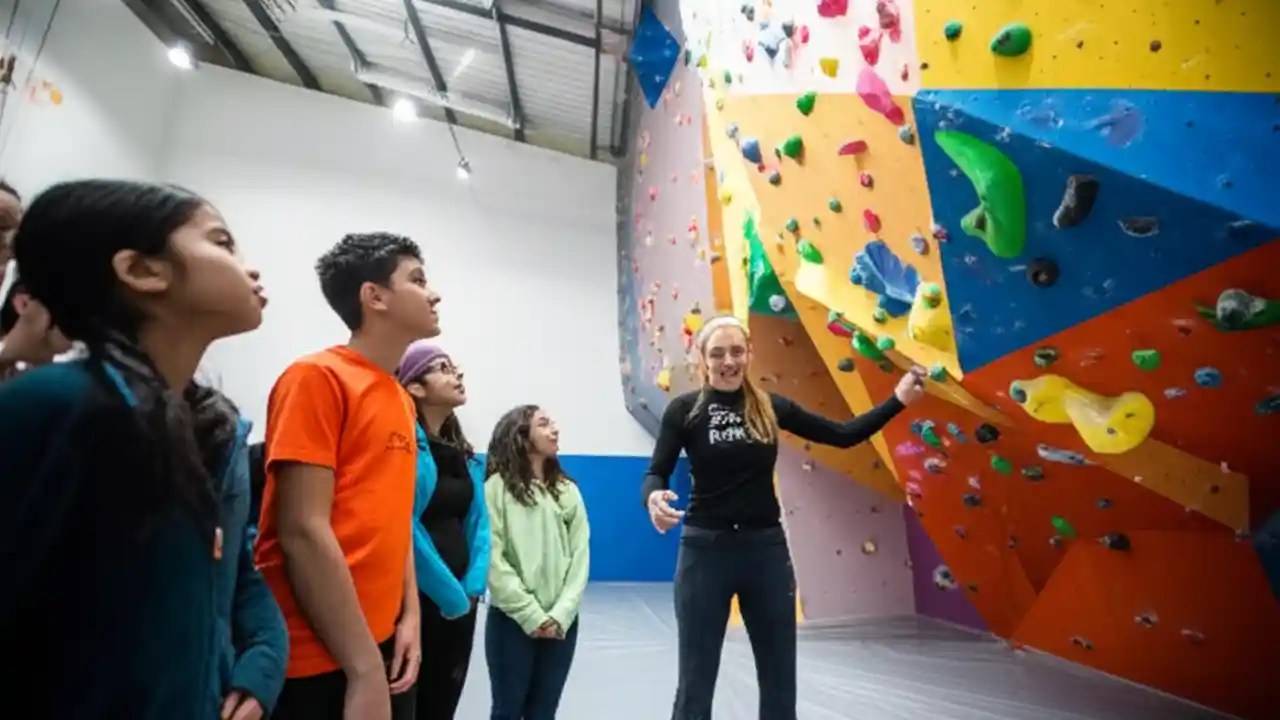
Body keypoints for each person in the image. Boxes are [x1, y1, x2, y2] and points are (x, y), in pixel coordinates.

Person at [0, 179, 287, 718]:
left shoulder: (181, 425)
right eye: (222, 242)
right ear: (142, 271)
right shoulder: (57, 408)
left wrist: (258, 664)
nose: (249, 268)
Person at [641, 314, 926, 720]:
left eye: (736, 351)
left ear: (749, 354)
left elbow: (844, 435)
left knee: (779, 679)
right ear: (702, 359)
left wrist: (898, 400)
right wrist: (653, 498)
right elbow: (656, 471)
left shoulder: (773, 407)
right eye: (717, 353)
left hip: (765, 555)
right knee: (695, 679)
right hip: (705, 554)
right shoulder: (684, 411)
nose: (728, 361)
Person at [254, 232, 441, 720]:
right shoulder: (317, 378)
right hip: (317, 654)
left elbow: (395, 519)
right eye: (418, 279)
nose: (434, 293)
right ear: (373, 295)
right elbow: (302, 530)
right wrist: (362, 669)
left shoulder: (399, 397)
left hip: (382, 641)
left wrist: (410, 615)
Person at [395, 341, 490, 720]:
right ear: (415, 387)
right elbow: (406, 522)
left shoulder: (462, 454)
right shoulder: (405, 448)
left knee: (443, 703)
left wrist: (473, 585)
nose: (458, 374)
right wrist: (449, 593)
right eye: (444, 368)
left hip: (463, 604)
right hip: (418, 600)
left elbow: (479, 524)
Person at [484, 404, 590, 720]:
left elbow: (580, 556)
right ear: (521, 437)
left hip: (562, 623)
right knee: (507, 710)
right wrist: (530, 615)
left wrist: (561, 614)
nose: (555, 429)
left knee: (544, 711)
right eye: (543, 424)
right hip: (511, 623)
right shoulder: (496, 490)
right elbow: (493, 558)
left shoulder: (567, 491)